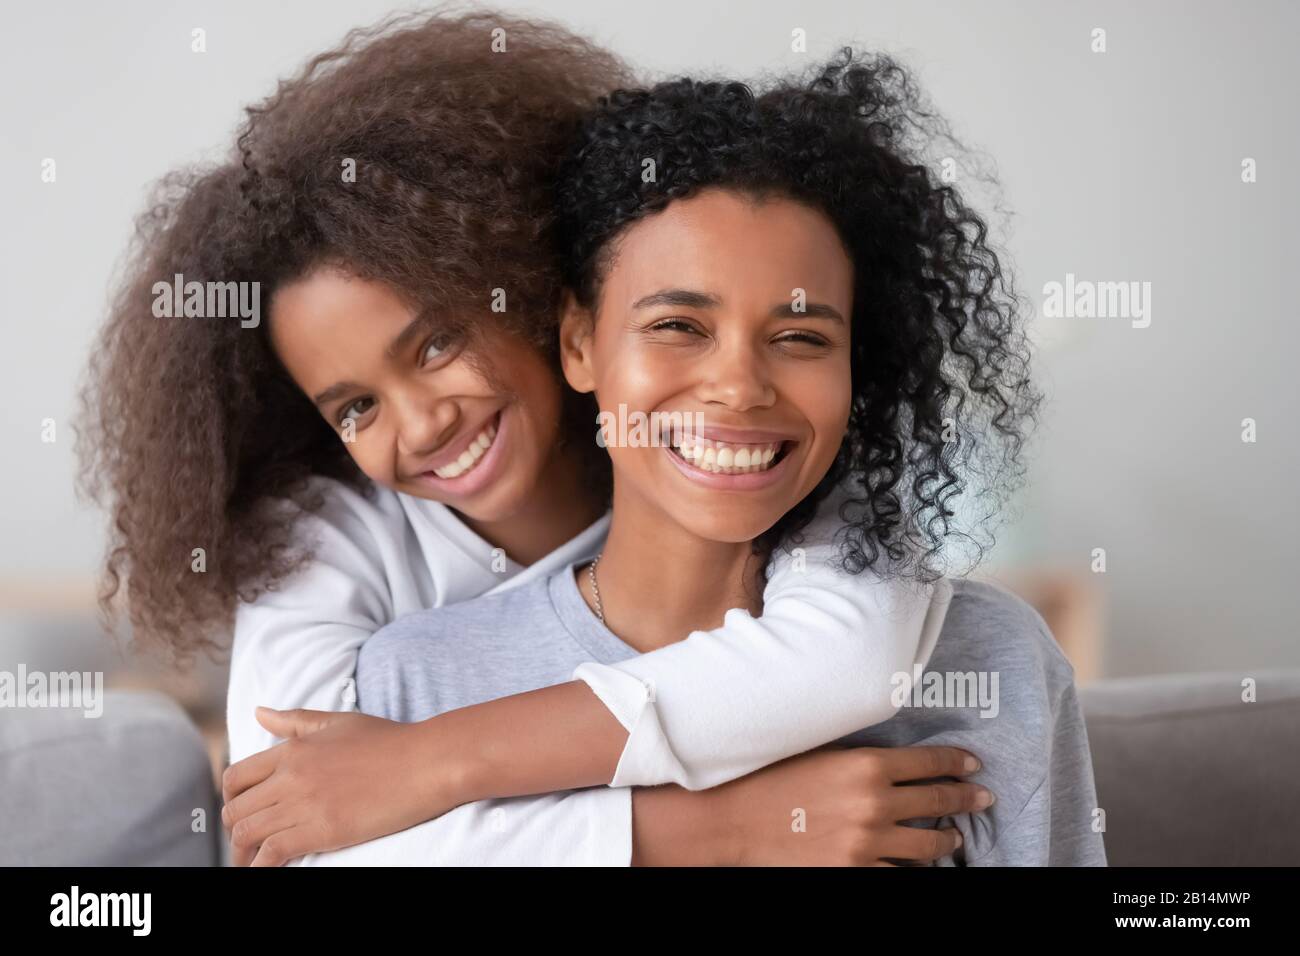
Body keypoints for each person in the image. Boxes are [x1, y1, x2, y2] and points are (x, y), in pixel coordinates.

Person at [79, 11, 985, 866]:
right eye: (355, 407)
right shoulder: (329, 546)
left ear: (539, 298)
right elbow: (308, 837)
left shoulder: (728, 461)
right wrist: (719, 831)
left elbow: (848, 661)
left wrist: (429, 765)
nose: (424, 420)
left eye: (438, 344)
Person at [304, 54, 1104, 865]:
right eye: (678, 326)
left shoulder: (984, 659)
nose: (739, 387)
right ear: (580, 343)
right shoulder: (417, 683)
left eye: (801, 338)